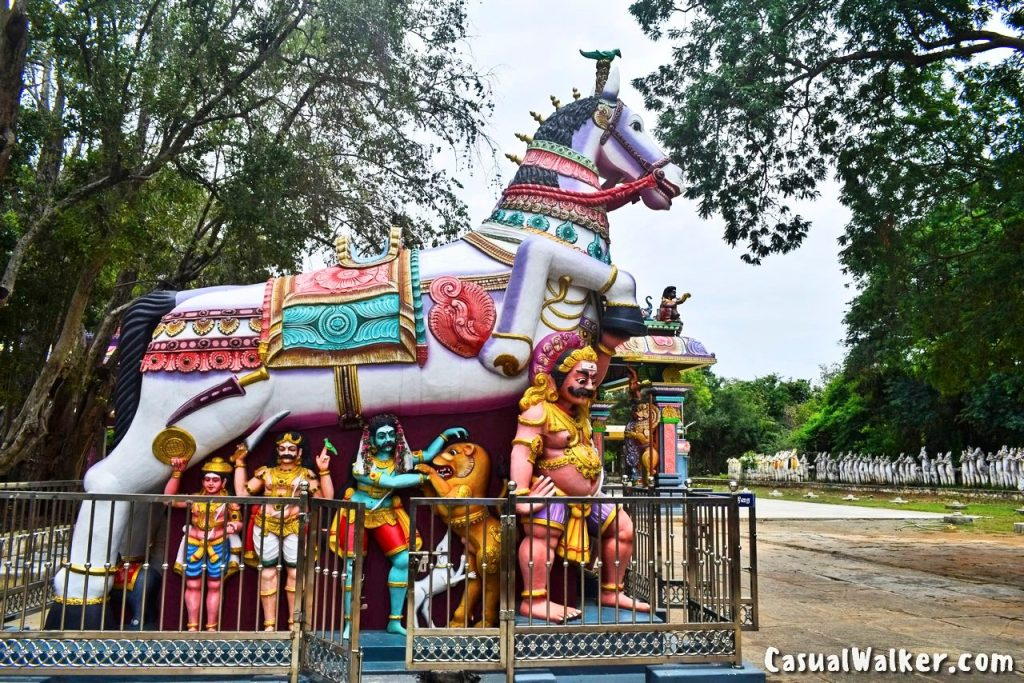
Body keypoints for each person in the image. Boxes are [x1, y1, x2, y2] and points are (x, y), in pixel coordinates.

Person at [511, 331, 651, 622]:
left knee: (622, 527)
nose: (588, 386)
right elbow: (522, 451)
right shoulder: (541, 412)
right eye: (580, 379)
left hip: (588, 496)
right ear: (559, 380)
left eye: (590, 381)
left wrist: (607, 347)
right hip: (552, 495)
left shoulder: (580, 416)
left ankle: (612, 590)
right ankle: (534, 600)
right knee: (542, 536)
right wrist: (522, 496)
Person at [330, 414, 467, 636]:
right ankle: (349, 623)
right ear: (371, 441)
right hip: (358, 513)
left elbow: (429, 456)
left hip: (385, 514)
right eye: (381, 436)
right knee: (353, 566)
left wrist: (444, 436)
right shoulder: (360, 465)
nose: (387, 440)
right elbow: (390, 482)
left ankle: (395, 621)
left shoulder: (400, 460)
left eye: (391, 435)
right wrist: (424, 478)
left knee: (403, 560)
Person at [232, 432, 333, 630]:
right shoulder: (266, 473)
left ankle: (294, 624)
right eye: (283, 448)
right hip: (266, 525)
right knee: (268, 573)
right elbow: (243, 494)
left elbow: (326, 500)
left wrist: (323, 471)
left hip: (294, 525)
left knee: (295, 573)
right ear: (277, 450)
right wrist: (240, 463)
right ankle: (269, 625)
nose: (287, 452)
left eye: (291, 449)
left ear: (299, 452)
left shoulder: (306, 474)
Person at [164, 456, 242, 632]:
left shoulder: (229, 502)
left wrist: (232, 526)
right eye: (207, 479)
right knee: (193, 584)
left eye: (215, 480)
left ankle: (211, 627)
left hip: (217, 545)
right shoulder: (195, 498)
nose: (211, 483)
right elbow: (169, 500)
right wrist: (177, 473)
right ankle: (192, 627)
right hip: (194, 543)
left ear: (224, 482)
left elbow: (238, 522)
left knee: (215, 585)